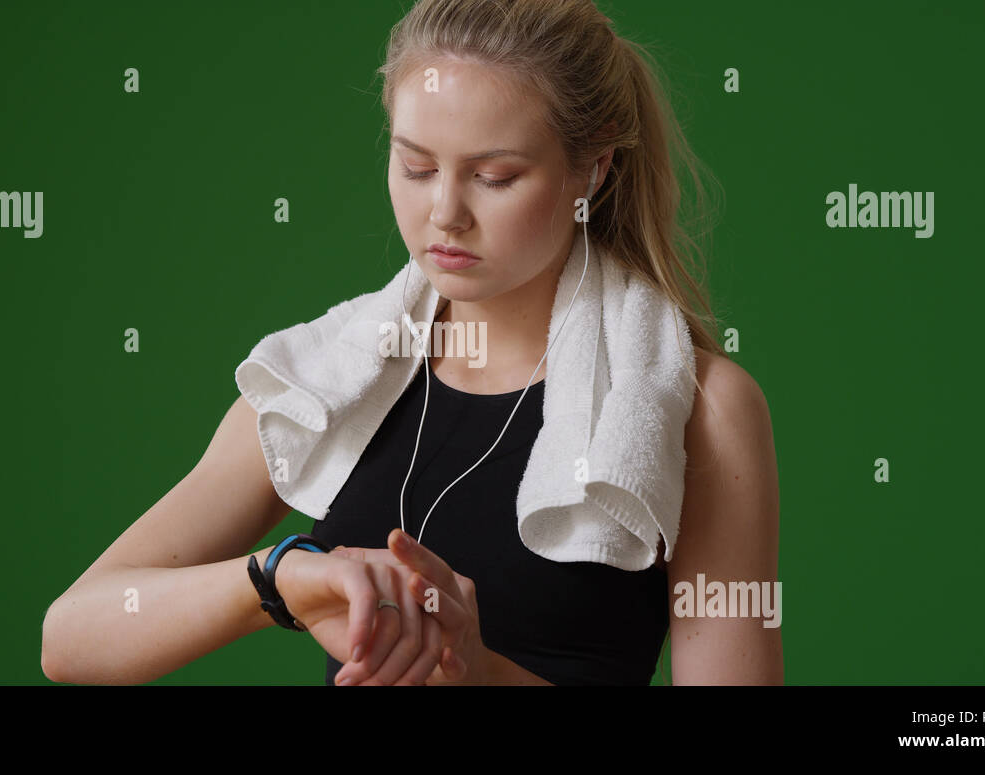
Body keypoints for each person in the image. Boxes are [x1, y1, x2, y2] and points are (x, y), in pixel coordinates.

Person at [40, 0, 781, 686]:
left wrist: (480, 672)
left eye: (495, 176)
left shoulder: (699, 409)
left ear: (593, 168)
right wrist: (281, 579)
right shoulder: (329, 378)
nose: (445, 213)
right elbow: (71, 636)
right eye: (417, 166)